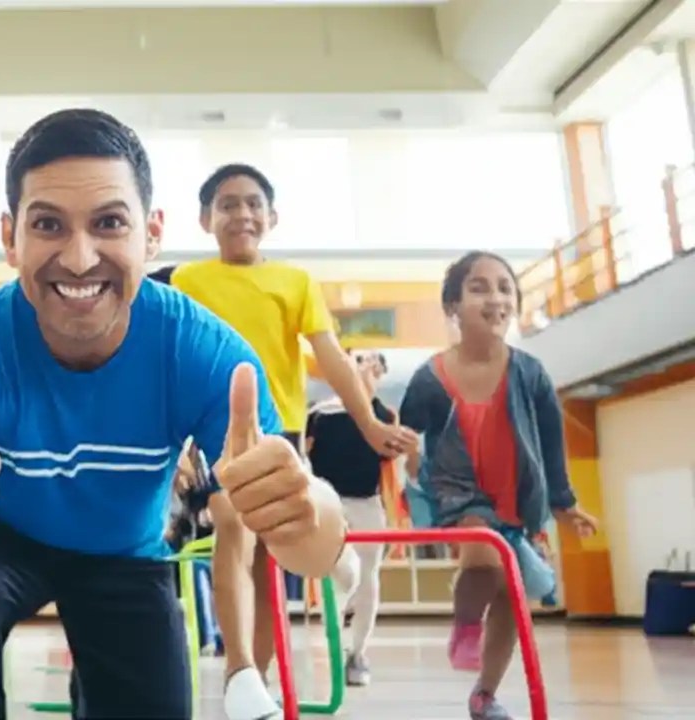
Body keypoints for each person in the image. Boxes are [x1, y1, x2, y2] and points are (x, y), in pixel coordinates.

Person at [0, 109, 352, 719]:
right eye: (48, 225)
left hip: (125, 552)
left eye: (109, 223)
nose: (80, 258)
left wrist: (305, 508)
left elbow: (315, 554)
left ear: (151, 234)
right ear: (10, 238)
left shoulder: (201, 350)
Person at [169, 163, 417, 719]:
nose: (242, 213)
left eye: (253, 203)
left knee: (267, 553)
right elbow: (174, 357)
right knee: (233, 524)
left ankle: (253, 679)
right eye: (227, 204)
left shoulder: (295, 282)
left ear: (272, 217)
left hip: (275, 431)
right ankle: (240, 671)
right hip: (210, 431)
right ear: (206, 219)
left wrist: (372, 426)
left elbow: (331, 359)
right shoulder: (189, 280)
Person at [398, 251, 599, 720]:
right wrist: (403, 456)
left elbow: (551, 447)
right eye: (479, 288)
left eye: (505, 288)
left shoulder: (530, 374)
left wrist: (565, 505)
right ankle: (467, 624)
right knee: (485, 554)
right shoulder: (431, 377)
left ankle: (484, 694)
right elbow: (401, 432)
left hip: (518, 496)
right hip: (457, 492)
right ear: (453, 306)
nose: (496, 298)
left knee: (513, 593)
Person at [305, 350, 395, 687]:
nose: (364, 366)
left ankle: (358, 652)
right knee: (337, 578)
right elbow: (305, 457)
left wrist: (369, 394)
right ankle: (336, 646)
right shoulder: (320, 414)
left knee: (369, 578)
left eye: (372, 363)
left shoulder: (383, 413)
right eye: (357, 359)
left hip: (367, 503)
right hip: (330, 504)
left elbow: (391, 451)